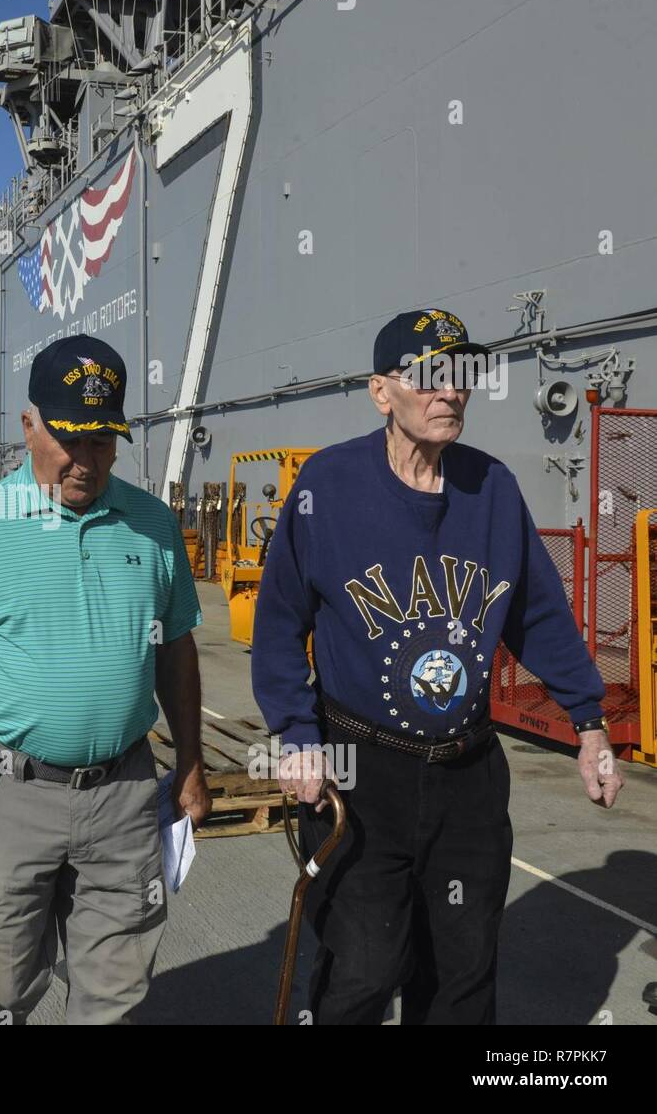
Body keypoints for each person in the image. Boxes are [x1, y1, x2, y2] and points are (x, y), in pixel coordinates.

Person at [251, 307, 624, 1025]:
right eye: (429, 377)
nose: (450, 392)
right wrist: (295, 734)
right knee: (362, 970)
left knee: (462, 976)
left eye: (460, 376)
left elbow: (538, 616)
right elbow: (276, 627)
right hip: (360, 771)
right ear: (380, 391)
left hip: (467, 778)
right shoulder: (324, 489)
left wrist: (590, 724)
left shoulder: (493, 489)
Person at [0, 334, 210, 1024]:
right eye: (69, 438)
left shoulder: (152, 525)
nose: (85, 460)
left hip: (126, 795)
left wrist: (189, 759)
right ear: (29, 424)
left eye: (103, 442)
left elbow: (176, 649)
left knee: (115, 998)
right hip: (13, 798)